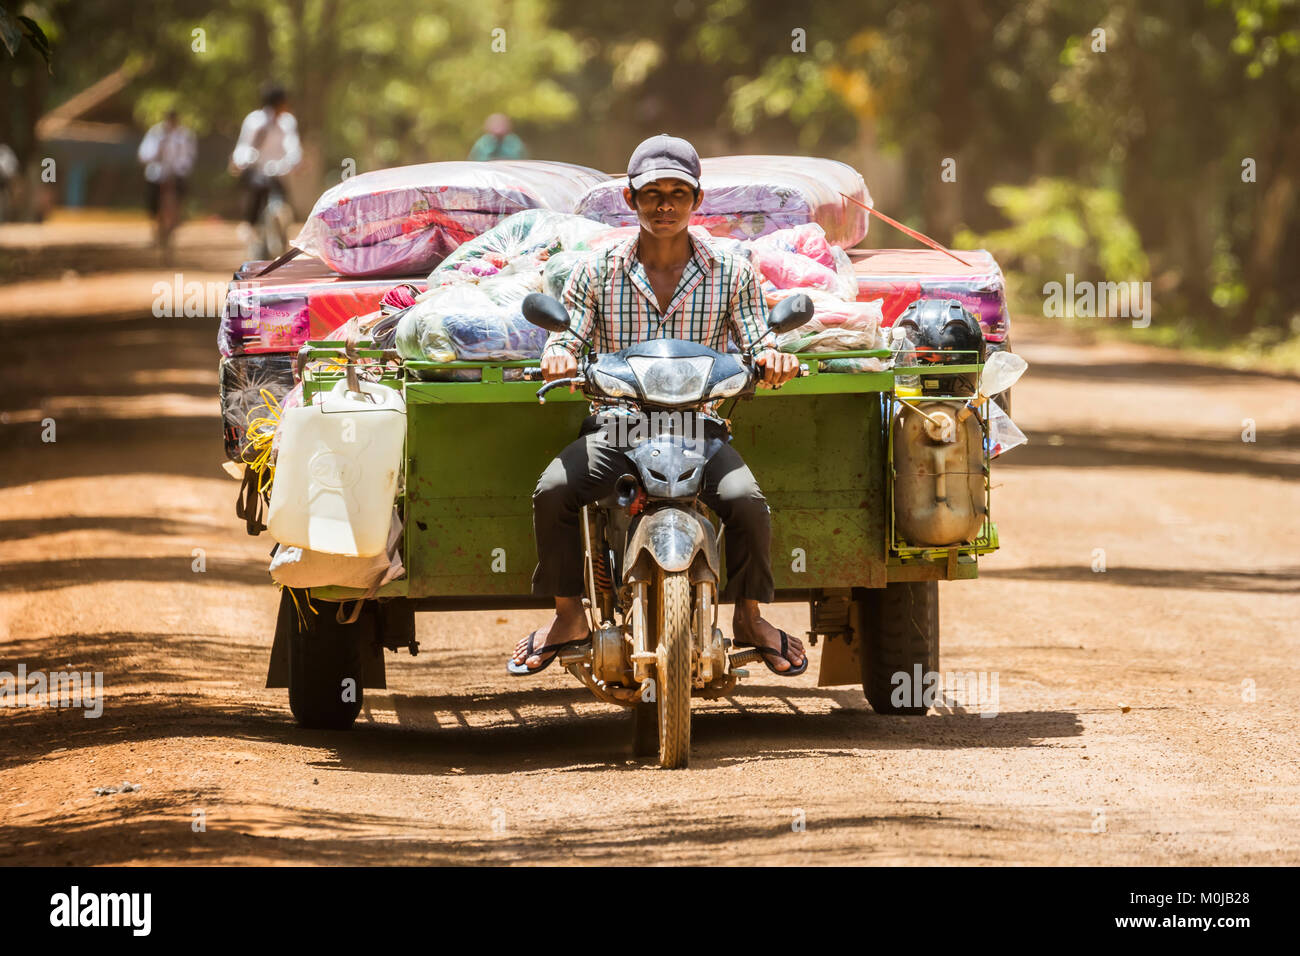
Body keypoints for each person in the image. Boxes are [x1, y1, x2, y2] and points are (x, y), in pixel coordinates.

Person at [509, 134, 807, 678]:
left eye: (676, 193)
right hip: (618, 429)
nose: (663, 204)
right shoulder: (596, 271)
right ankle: (568, 616)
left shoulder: (731, 270)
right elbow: (567, 337)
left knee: (746, 503)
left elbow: (759, 337)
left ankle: (748, 615)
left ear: (697, 201)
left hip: (699, 428)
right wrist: (557, 356)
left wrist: (774, 359)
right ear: (631, 200)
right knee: (553, 491)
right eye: (651, 194)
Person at [230, 83, 301, 248]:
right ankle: (250, 227)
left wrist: (295, 161)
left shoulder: (287, 122)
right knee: (256, 192)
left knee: (284, 206)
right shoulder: (254, 121)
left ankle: (282, 232)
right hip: (257, 171)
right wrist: (241, 161)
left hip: (278, 172)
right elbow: (244, 146)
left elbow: (293, 146)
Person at [136, 110, 196, 233]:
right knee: (152, 196)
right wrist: (156, 154)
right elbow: (145, 153)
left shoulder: (184, 134)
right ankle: (154, 216)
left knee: (182, 192)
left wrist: (180, 168)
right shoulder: (155, 133)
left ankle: (180, 214)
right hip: (157, 173)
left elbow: (188, 156)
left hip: (177, 173)